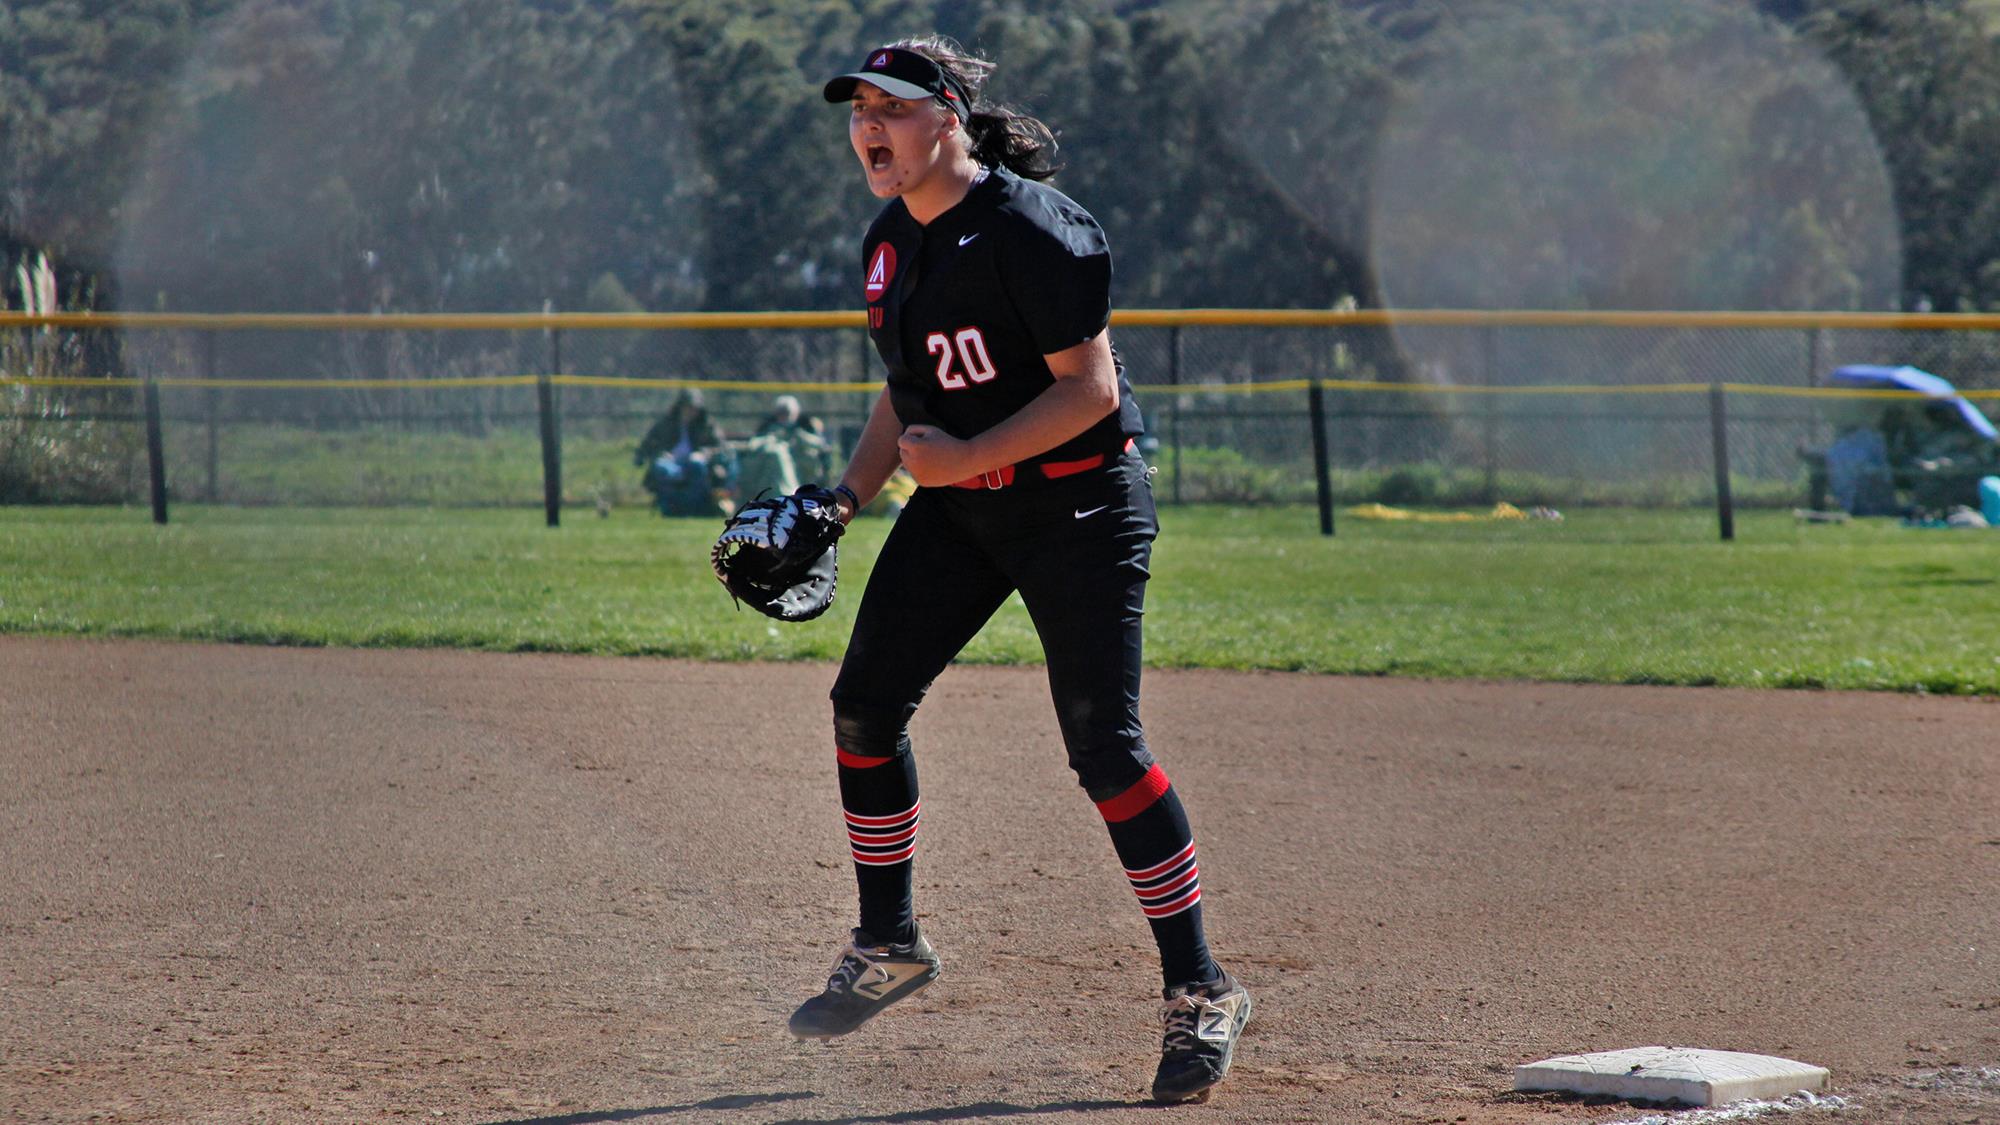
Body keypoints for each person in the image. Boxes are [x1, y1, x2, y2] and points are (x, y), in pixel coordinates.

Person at [786, 37, 1250, 1104]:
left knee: (1103, 746)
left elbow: (1085, 390)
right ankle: (887, 943)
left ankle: (1199, 990)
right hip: (964, 504)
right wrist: (841, 500)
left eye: (892, 109)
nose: (869, 128)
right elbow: (907, 394)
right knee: (863, 706)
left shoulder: (1035, 229)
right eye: (857, 110)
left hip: (1079, 503)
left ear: (947, 116)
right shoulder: (888, 242)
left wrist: (955, 464)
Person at [635, 388, 730, 515]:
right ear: (680, 406)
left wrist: (704, 453)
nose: (691, 411)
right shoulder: (666, 423)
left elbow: (720, 446)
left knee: (696, 464)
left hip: (696, 463)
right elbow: (649, 444)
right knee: (662, 468)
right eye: (687, 407)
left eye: (694, 408)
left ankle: (693, 508)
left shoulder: (706, 425)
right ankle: (670, 508)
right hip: (672, 462)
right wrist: (660, 453)